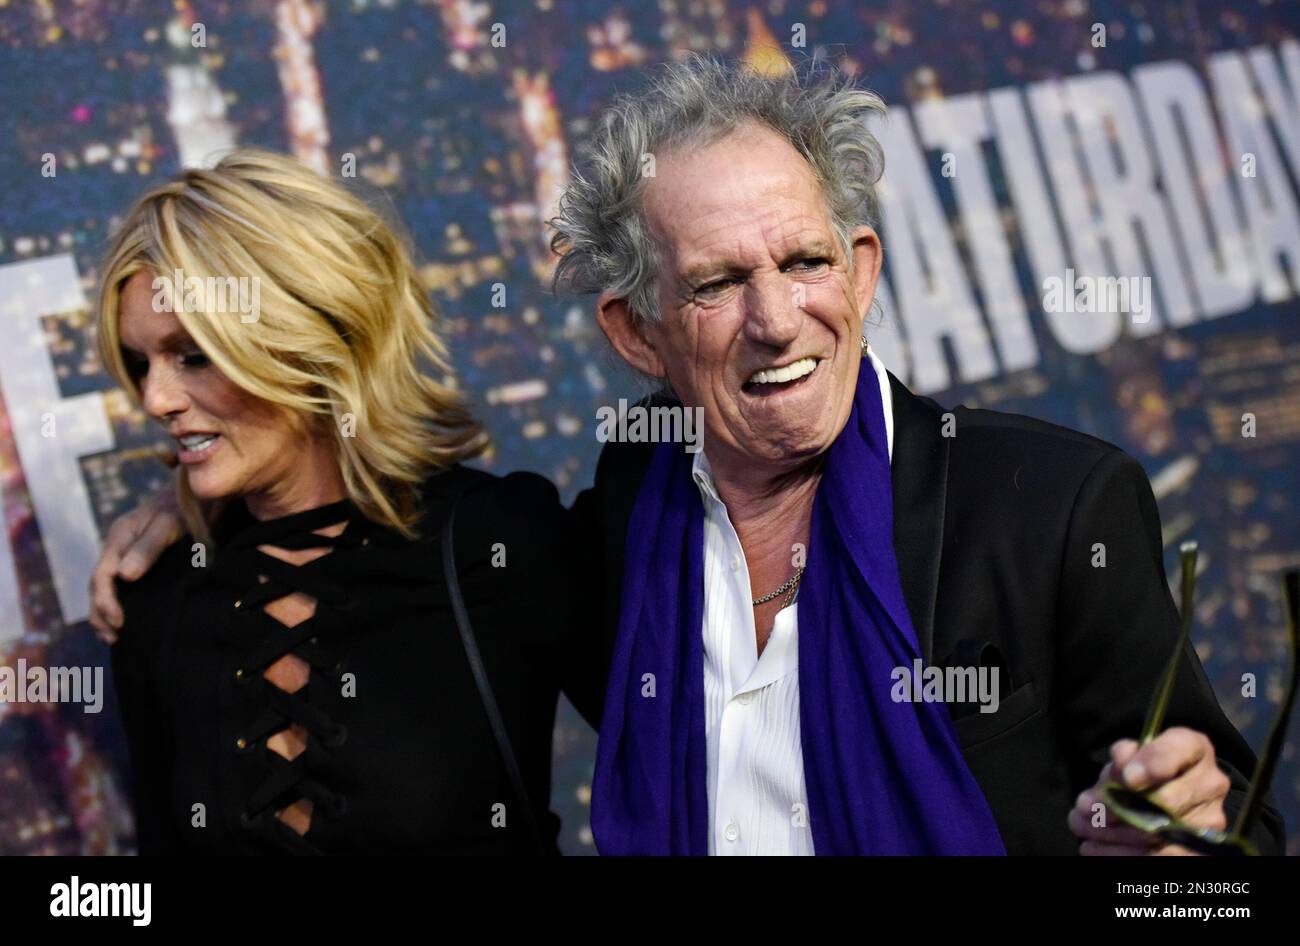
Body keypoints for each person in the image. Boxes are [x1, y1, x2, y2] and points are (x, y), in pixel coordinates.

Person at [97, 59, 1286, 856]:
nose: (776, 319)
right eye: (717, 283)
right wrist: (185, 505)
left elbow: (1227, 845)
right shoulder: (622, 524)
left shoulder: (1047, 504)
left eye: (806, 263)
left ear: (861, 269)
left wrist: (1178, 858)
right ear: (636, 332)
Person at [92, 148, 597, 854]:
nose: (155, 399)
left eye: (194, 354)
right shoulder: (161, 597)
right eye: (140, 362)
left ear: (304, 339)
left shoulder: (496, 543)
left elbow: (697, 766)